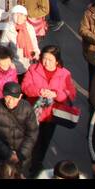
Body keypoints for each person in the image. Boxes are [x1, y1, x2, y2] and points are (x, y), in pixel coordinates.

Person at [21, 45, 77, 173]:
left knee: (45, 139)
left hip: (52, 114)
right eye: (44, 59)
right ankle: (26, 161)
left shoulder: (65, 74)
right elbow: (25, 87)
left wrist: (56, 94)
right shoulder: (33, 69)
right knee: (30, 138)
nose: (46, 62)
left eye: (50, 60)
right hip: (34, 112)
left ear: (57, 61)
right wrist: (39, 91)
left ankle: (37, 163)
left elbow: (71, 93)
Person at [0, 80, 39, 177]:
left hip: (21, 155)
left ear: (20, 97)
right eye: (8, 98)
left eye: (14, 98)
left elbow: (32, 133)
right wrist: (8, 153)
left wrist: (21, 153)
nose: (10, 102)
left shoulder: (27, 108)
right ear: (3, 95)